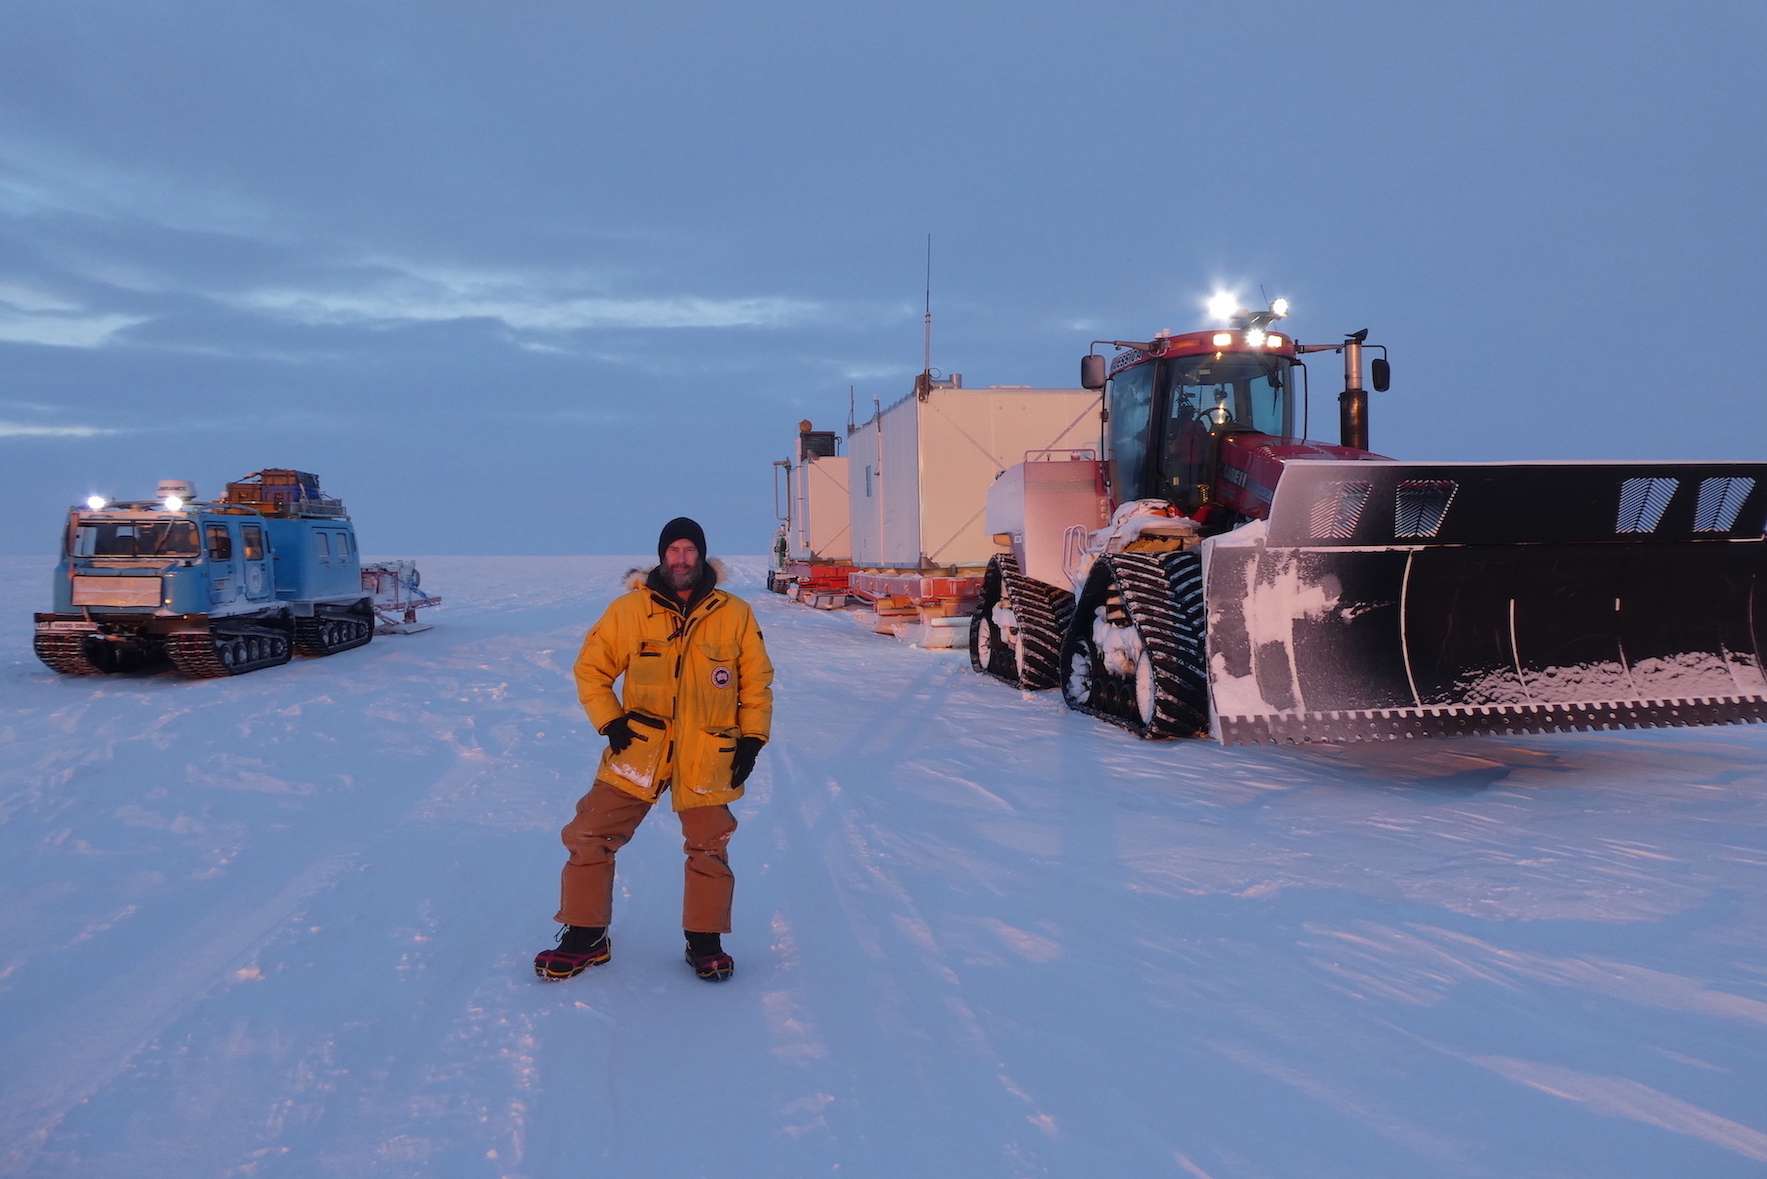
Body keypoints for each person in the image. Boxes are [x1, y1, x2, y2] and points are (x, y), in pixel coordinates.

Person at [534, 517, 774, 983]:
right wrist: (610, 719)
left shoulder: (734, 612)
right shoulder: (630, 611)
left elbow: (756, 681)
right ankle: (586, 936)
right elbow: (591, 669)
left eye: (689, 550)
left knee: (709, 847)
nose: (681, 558)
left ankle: (704, 941)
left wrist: (752, 737)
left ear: (701, 555)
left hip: (706, 752)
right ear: (661, 555)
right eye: (673, 550)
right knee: (589, 834)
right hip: (639, 747)